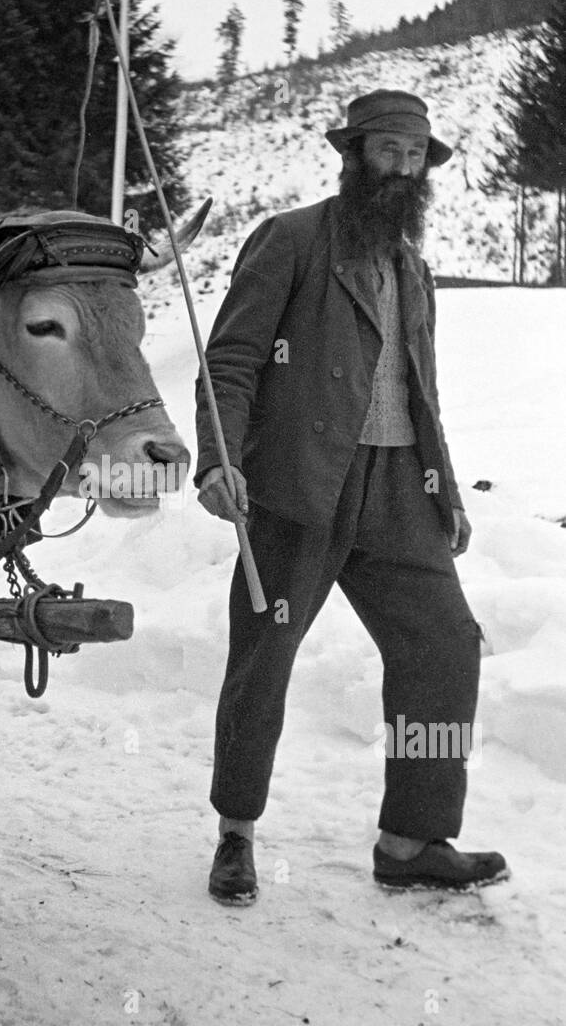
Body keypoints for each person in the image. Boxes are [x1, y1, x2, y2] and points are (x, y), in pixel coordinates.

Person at [195, 89, 508, 903]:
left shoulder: (414, 268)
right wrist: (218, 460)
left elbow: (420, 393)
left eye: (416, 156)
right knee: (265, 656)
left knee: (443, 647)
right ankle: (236, 833)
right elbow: (230, 361)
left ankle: (413, 838)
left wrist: (446, 490)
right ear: (353, 154)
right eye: (389, 152)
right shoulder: (291, 241)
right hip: (301, 483)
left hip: (401, 488)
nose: (403, 169)